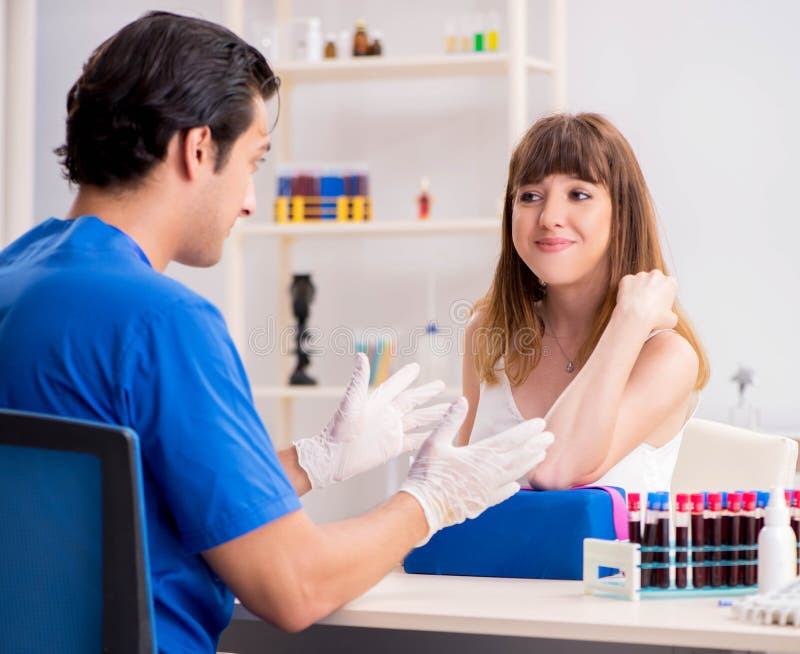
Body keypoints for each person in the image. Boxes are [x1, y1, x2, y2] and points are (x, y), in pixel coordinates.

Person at [0, 12, 554, 653]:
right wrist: (430, 502)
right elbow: (296, 587)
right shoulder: (161, 324)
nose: (248, 202)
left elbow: (116, 497)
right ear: (199, 148)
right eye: (254, 163)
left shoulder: (16, 280)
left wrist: (312, 461)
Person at [456, 113, 709, 497]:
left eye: (579, 194)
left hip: (609, 561)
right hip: (476, 561)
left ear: (622, 215)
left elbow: (556, 471)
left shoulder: (666, 356)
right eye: (530, 196)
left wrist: (629, 322)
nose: (549, 217)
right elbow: (449, 493)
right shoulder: (488, 332)